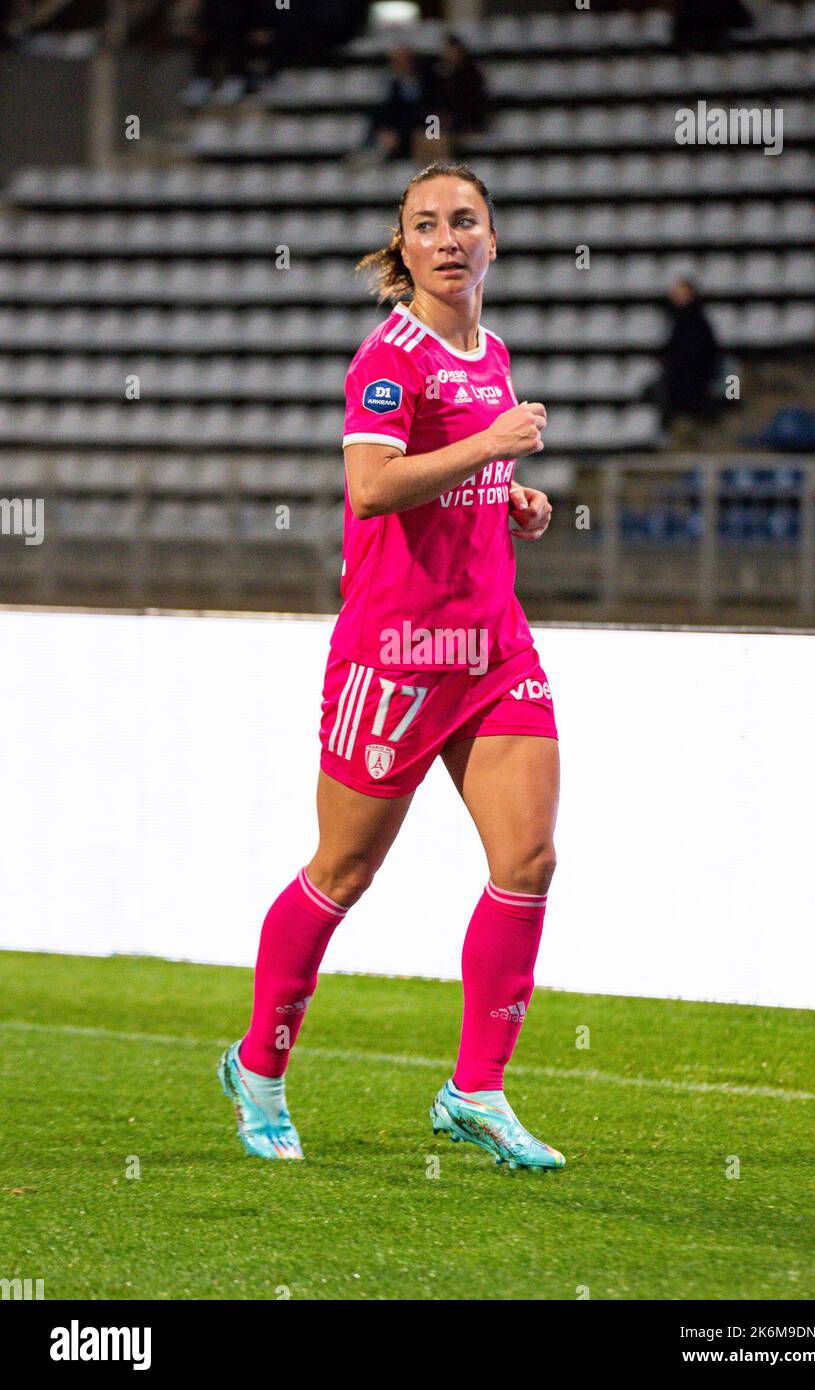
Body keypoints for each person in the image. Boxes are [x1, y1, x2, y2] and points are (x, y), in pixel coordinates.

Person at [218, 161, 565, 1172]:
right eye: (428, 224)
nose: (450, 238)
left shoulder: (491, 352)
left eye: (467, 221)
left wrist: (507, 494)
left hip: (493, 648)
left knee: (529, 862)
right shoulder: (389, 357)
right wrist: (492, 446)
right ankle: (259, 1067)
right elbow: (371, 488)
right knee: (344, 871)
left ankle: (477, 1089)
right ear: (403, 248)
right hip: (397, 655)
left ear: (494, 240)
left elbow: (450, 478)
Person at [659, 276, 721, 441]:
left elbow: (703, 356)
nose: (675, 297)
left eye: (680, 293)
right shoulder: (677, 321)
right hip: (681, 387)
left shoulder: (696, 322)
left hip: (693, 387)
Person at [430, 33, 489, 141]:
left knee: (440, 137)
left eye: (452, 50)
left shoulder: (471, 75)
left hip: (465, 121)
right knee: (425, 136)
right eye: (446, 50)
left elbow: (473, 103)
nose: (449, 53)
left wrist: (452, 117)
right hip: (440, 121)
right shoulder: (436, 74)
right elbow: (433, 100)